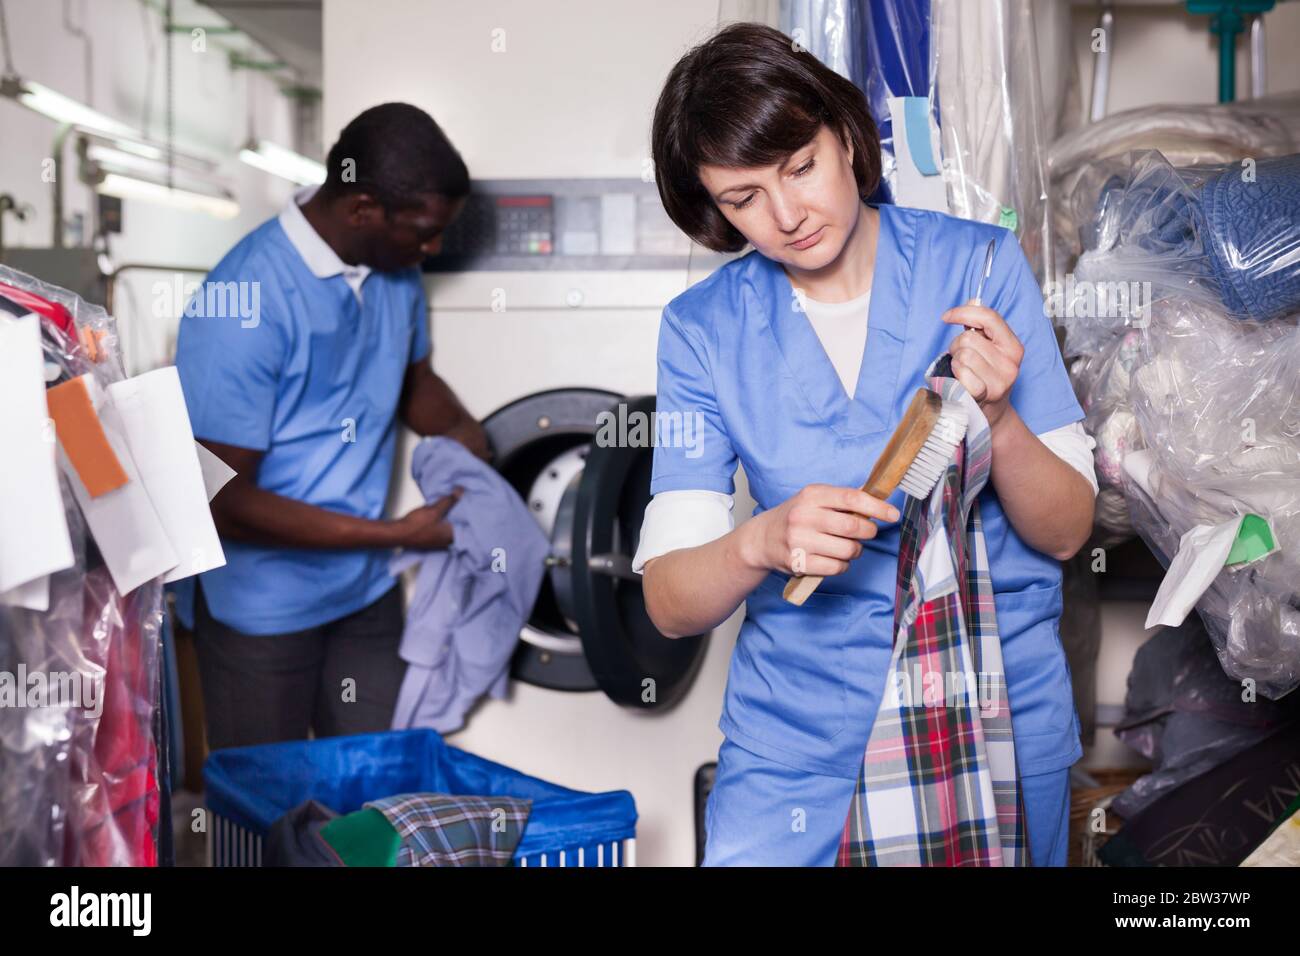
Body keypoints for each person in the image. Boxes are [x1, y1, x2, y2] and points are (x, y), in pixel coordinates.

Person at [634, 23, 1098, 866]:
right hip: (802, 745)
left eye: (800, 168)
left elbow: (1066, 532)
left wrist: (998, 420)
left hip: (991, 718)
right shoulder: (702, 331)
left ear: (846, 137)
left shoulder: (982, 269)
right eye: (742, 199)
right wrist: (758, 542)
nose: (786, 217)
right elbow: (669, 602)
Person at [173, 103, 489, 751]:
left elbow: (411, 379)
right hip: (262, 608)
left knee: (376, 794)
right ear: (363, 209)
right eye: (425, 232)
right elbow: (220, 501)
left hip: (363, 592)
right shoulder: (244, 302)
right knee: (267, 818)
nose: (432, 249)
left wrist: (467, 438)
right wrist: (394, 534)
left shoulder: (392, 272)